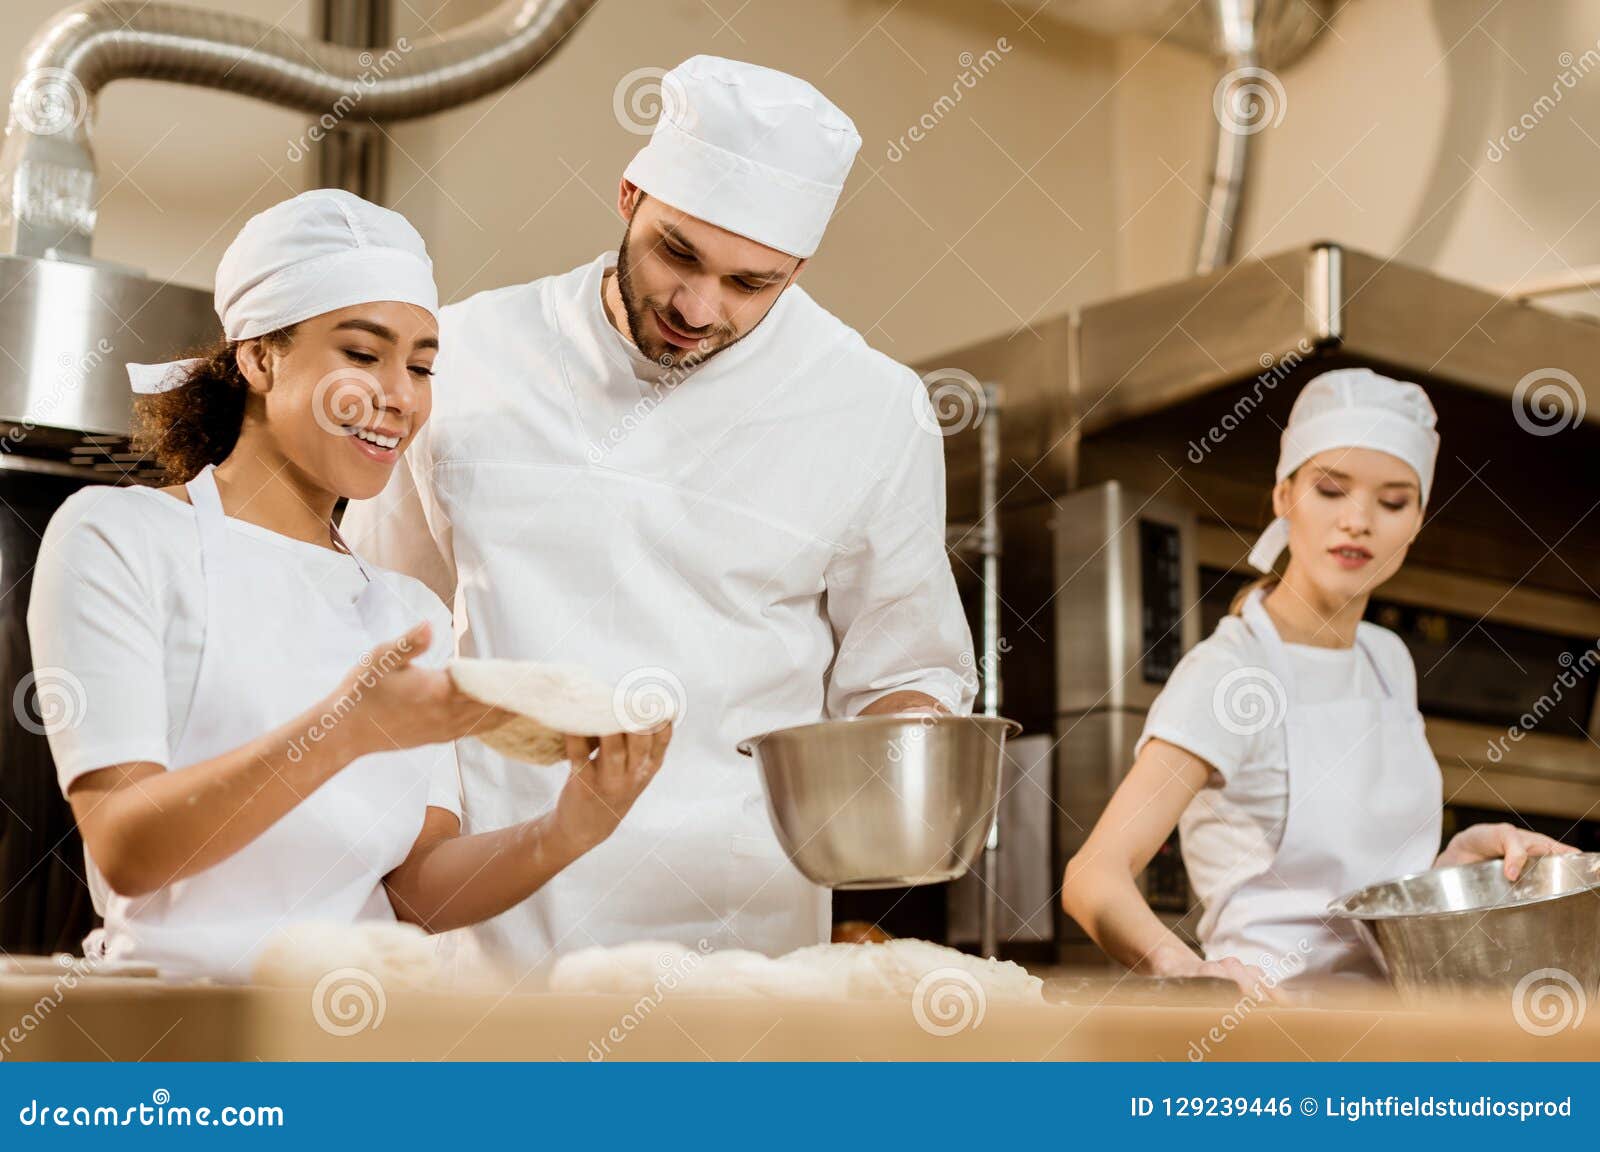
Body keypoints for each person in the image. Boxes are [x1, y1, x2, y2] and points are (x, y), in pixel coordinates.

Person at [341, 55, 975, 974]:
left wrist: (908, 755)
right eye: (678, 253)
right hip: (489, 921)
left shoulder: (874, 407)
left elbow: (903, 670)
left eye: (751, 283)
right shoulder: (467, 353)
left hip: (741, 942)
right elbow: (388, 629)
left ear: (798, 268)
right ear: (630, 195)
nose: (696, 306)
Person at [26, 189, 668, 980]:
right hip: (181, 1034)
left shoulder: (407, 612)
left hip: (360, 1044)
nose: (399, 395)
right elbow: (127, 846)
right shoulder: (117, 537)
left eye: (422, 365)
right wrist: (347, 731)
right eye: (363, 355)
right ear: (259, 357)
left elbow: (414, 893)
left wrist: (573, 827)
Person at [1059, 368, 1574, 992]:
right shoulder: (1230, 673)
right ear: (1284, 498)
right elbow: (1094, 875)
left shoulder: (1387, 661)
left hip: (1401, 1035)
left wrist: (1453, 867)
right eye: (1331, 489)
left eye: (1392, 501)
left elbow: (1358, 906)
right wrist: (1187, 969)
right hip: (1270, 1041)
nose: (1358, 521)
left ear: (1416, 521)